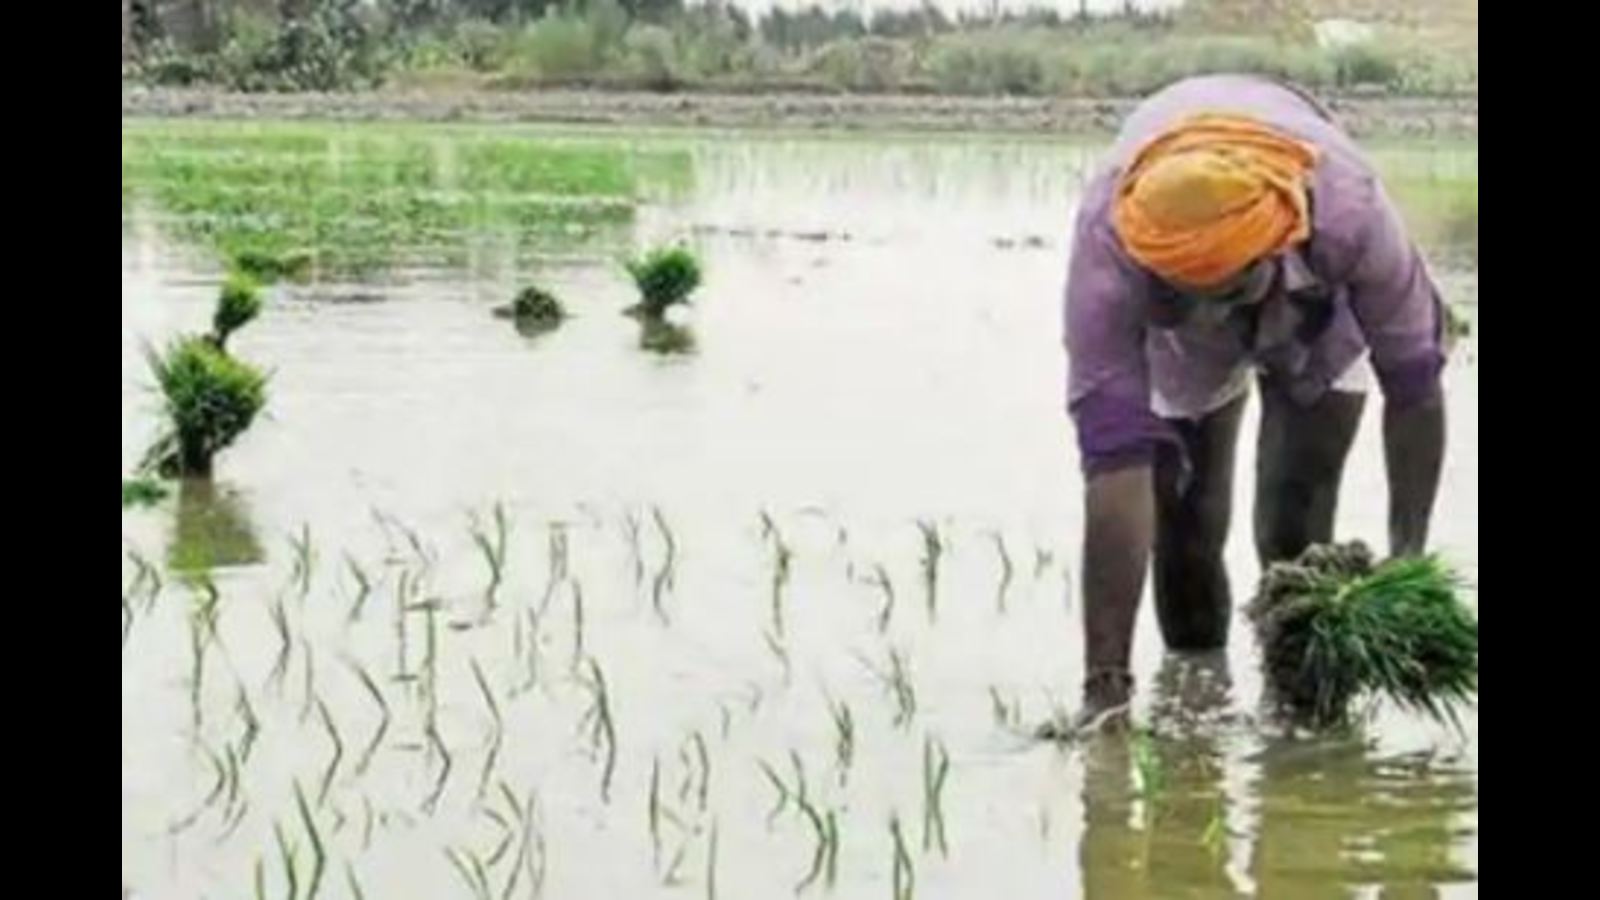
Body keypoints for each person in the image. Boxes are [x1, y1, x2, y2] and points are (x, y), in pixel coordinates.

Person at [1056, 75, 1447, 736]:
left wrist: (1406, 555)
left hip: (1313, 307)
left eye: (1224, 291)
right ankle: (1197, 707)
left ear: (1276, 245)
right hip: (1172, 328)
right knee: (1184, 528)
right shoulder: (1112, 251)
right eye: (1190, 291)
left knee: (1293, 527)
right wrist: (1105, 687)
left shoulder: (1349, 215)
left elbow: (1413, 385)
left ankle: (1299, 723)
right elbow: (1113, 462)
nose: (1212, 311)